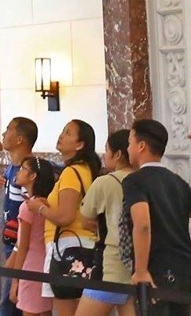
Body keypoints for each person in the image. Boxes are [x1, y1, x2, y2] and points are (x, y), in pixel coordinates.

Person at [123, 119, 191, 316]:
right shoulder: (176, 181)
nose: (127, 147)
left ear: (141, 146)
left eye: (130, 141)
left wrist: (140, 271)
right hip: (185, 271)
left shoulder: (134, 181)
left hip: (157, 273)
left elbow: (143, 224)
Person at [24, 119, 100, 316]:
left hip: (68, 247)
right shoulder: (86, 171)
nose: (61, 135)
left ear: (80, 144)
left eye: (68, 133)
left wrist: (39, 208)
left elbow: (65, 216)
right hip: (84, 245)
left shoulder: (70, 173)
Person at [78, 130, 135, 316]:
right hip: (139, 264)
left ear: (118, 154)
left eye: (106, 150)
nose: (104, 155)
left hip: (110, 265)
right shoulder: (145, 179)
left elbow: (85, 217)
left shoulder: (105, 182)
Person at [0, 116, 40, 316]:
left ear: (20, 139)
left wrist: (16, 250)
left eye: (8, 129)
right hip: (11, 241)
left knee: (11, 302)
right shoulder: (11, 168)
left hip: (21, 245)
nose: (4, 134)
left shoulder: (30, 170)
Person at [5, 156, 54, 316]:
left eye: (23, 169)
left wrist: (16, 279)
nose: (18, 172)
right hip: (45, 265)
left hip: (30, 268)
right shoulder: (46, 204)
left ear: (33, 176)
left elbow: (23, 245)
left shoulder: (28, 207)